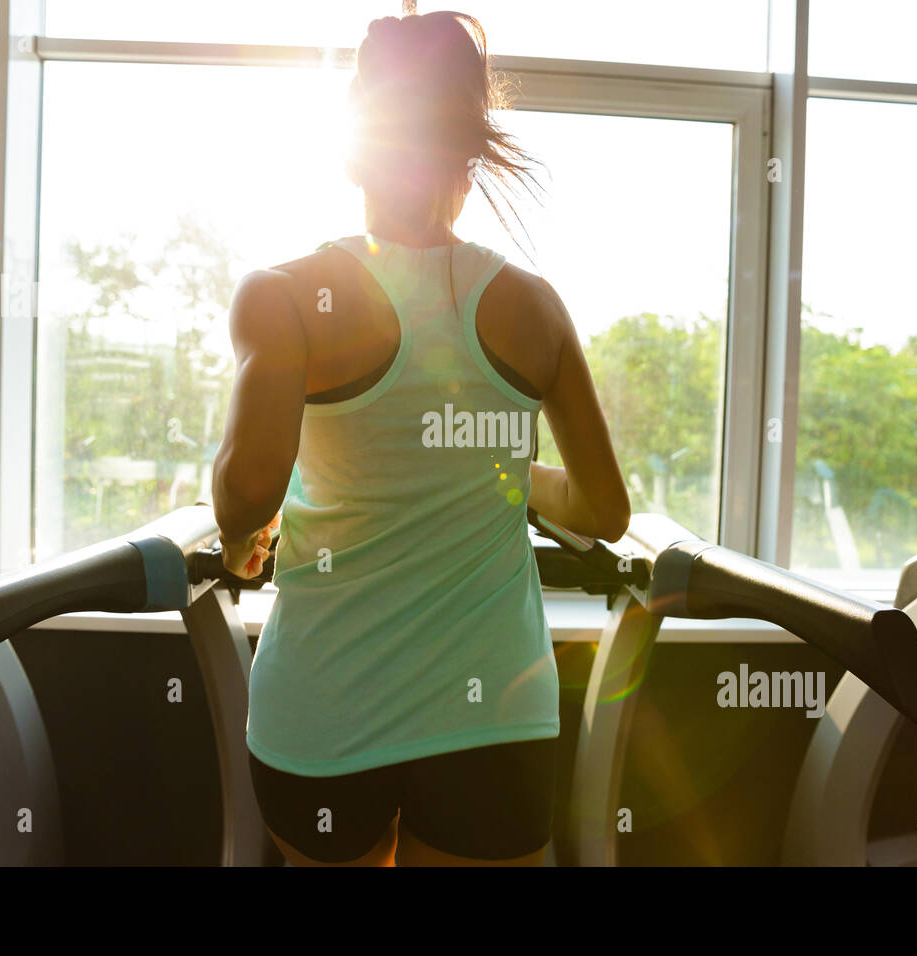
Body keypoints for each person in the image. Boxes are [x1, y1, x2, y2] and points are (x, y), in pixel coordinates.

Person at [211, 10, 629, 867]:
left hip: (324, 718)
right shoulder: (533, 307)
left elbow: (249, 492)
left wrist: (242, 536)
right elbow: (604, 509)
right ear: (468, 167)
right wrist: (513, 474)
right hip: (490, 722)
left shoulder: (286, 297)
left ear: (353, 148)